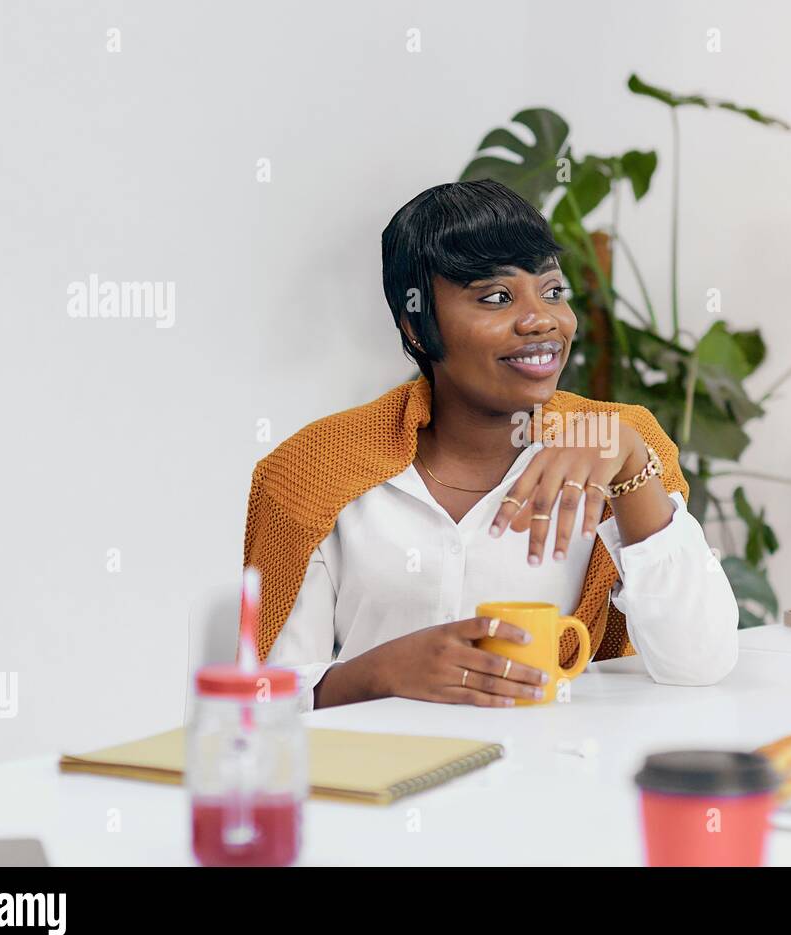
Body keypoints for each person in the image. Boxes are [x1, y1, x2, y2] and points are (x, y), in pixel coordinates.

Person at [244, 180, 739, 711]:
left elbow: (698, 664)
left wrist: (631, 465)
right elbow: (262, 699)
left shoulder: (617, 446)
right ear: (417, 326)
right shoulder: (314, 469)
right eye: (497, 297)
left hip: (559, 773)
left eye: (552, 291)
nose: (542, 319)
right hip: (373, 778)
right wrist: (383, 672)